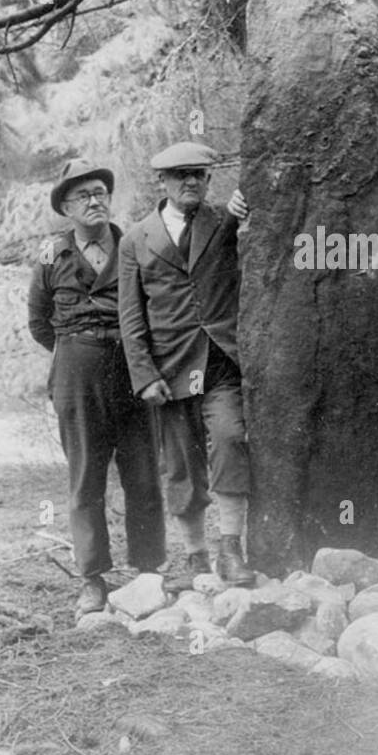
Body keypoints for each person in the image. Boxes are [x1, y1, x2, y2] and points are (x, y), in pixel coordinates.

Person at [28, 159, 166, 620]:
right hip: (76, 370)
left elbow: (151, 306)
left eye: (100, 193)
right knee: (86, 476)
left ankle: (149, 570)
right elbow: (38, 322)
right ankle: (92, 578)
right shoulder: (53, 253)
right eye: (83, 195)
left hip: (131, 367)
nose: (94, 201)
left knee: (143, 471)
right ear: (66, 207)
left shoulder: (133, 244)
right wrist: (78, 351)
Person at [118, 141, 254, 587]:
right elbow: (131, 314)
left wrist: (241, 212)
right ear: (163, 182)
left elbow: (246, 234)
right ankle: (196, 557)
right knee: (180, 466)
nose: (190, 182)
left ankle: (230, 549)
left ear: (209, 179)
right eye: (180, 176)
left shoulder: (222, 221)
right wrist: (143, 376)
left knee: (231, 441)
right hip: (169, 369)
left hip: (219, 360)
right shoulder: (136, 238)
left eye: (198, 174)